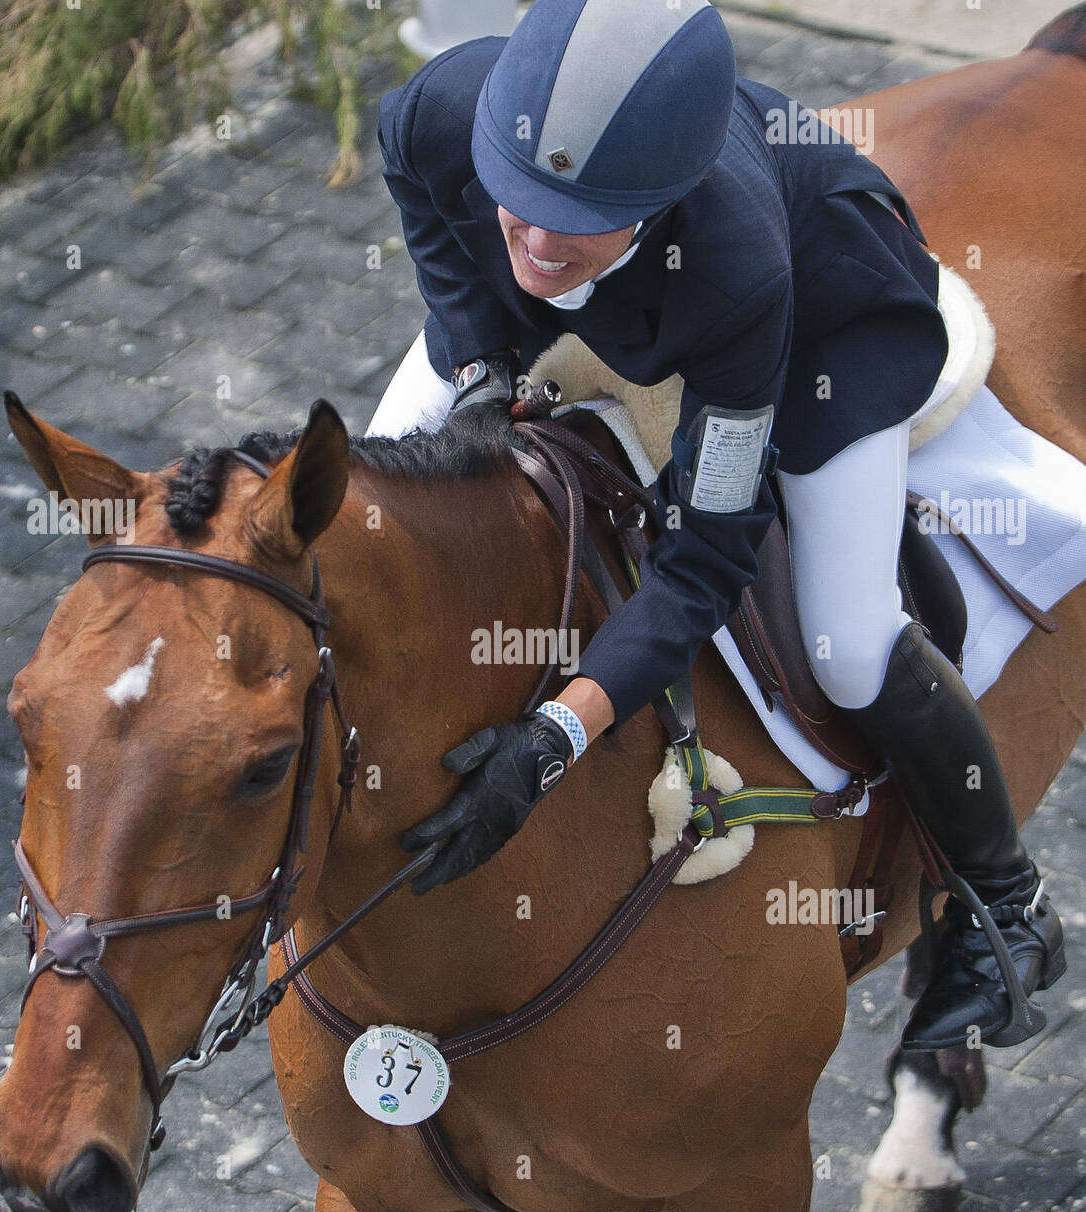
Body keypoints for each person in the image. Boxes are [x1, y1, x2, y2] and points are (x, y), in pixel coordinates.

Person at [371, 0, 1064, 1050]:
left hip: (827, 329)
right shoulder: (438, 113)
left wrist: (557, 738)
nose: (541, 238)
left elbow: (702, 561)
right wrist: (479, 367)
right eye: (517, 200)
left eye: (579, 216)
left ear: (661, 202)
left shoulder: (743, 273)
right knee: (362, 507)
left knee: (847, 642)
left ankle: (1006, 907)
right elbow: (438, 222)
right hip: (623, 260)